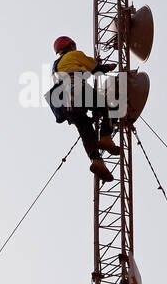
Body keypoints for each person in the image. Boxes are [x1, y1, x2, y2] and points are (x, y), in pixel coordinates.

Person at [47, 35, 120, 182]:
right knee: (109, 107)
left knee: (85, 127)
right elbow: (96, 68)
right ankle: (105, 137)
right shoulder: (76, 55)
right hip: (76, 88)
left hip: (65, 103)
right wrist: (108, 67)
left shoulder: (56, 66)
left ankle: (96, 160)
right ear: (71, 46)